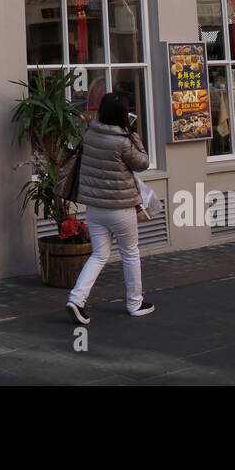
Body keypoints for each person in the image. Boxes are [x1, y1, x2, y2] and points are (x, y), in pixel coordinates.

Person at [66, 92, 153, 324]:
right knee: (130, 253)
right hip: (120, 207)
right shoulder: (124, 141)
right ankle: (135, 303)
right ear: (123, 115)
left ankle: (77, 299)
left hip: (94, 207)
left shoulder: (90, 134)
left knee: (99, 255)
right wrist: (135, 138)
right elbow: (143, 163)